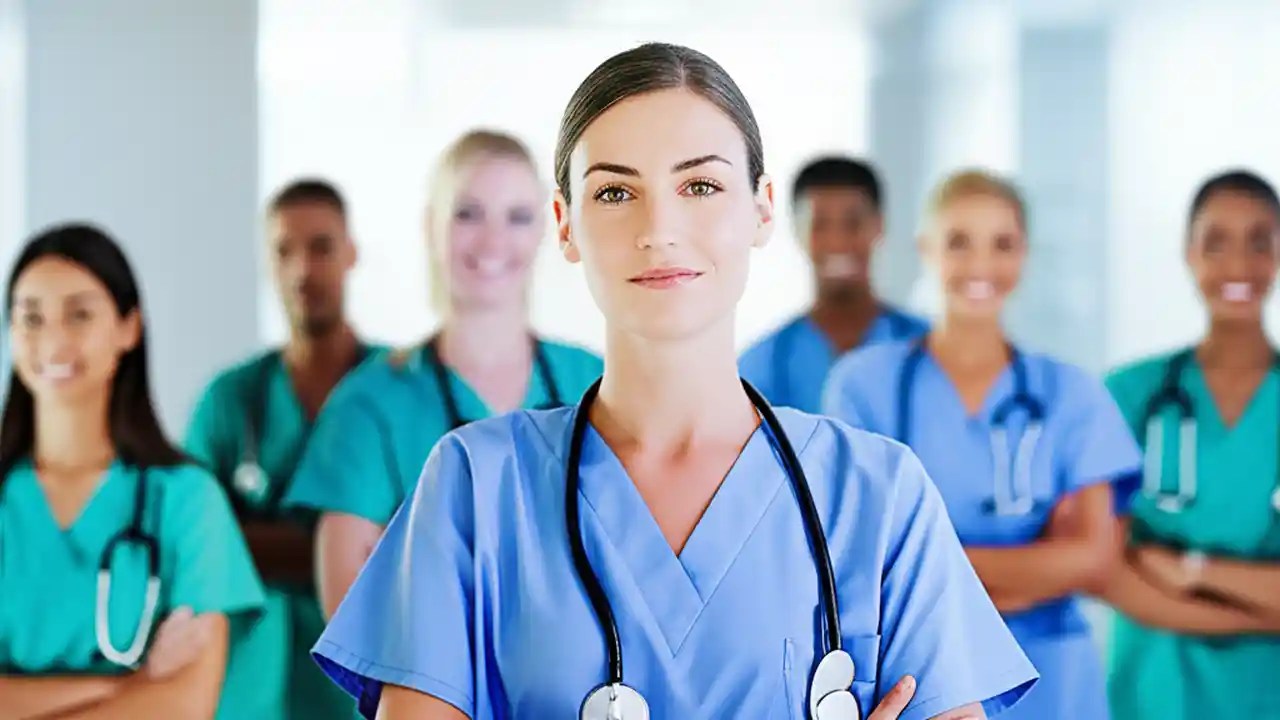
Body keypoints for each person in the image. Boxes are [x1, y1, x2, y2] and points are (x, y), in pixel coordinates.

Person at [307, 43, 1037, 720]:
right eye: (616, 194)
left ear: (760, 209)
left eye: (700, 184)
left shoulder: (879, 497)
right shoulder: (474, 487)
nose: (659, 226)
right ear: (564, 225)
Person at [823, 169, 1141, 719]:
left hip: (1055, 681)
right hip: (923, 671)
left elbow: (1094, 560)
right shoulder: (864, 385)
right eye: (958, 241)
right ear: (926, 248)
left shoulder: (1069, 394)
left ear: (1025, 253)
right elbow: (856, 555)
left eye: (1002, 244)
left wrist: (928, 564)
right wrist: (1035, 566)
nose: (980, 265)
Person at [282, 130, 603, 620]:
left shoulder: (595, 381)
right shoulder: (370, 405)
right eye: (467, 213)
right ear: (431, 225)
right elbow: (352, 622)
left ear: (548, 229)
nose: (493, 240)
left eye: (517, 216)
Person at [0, 224, 263, 719]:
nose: (53, 340)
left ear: (129, 328)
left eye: (79, 315)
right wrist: (130, 685)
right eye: (30, 317)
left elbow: (184, 706)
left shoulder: (187, 501)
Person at [184, 180, 385, 719]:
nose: (302, 270)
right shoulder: (231, 400)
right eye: (283, 251)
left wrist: (258, 542)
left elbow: (432, 546)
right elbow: (193, 546)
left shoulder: (397, 390)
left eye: (321, 247)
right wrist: (350, 542)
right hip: (251, 691)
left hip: (368, 689)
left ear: (351, 254)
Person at [1101, 170, 1280, 719]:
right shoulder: (1129, 395)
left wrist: (1192, 571)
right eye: (1216, 241)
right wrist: (1259, 612)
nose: (1238, 264)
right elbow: (1104, 569)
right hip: (1154, 692)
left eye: (1259, 240)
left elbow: (1135, 566)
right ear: (1187, 252)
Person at [738, 157, 927, 413]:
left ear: (879, 226)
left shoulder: (930, 350)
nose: (837, 241)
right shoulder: (760, 367)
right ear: (798, 230)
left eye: (853, 223)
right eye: (820, 224)